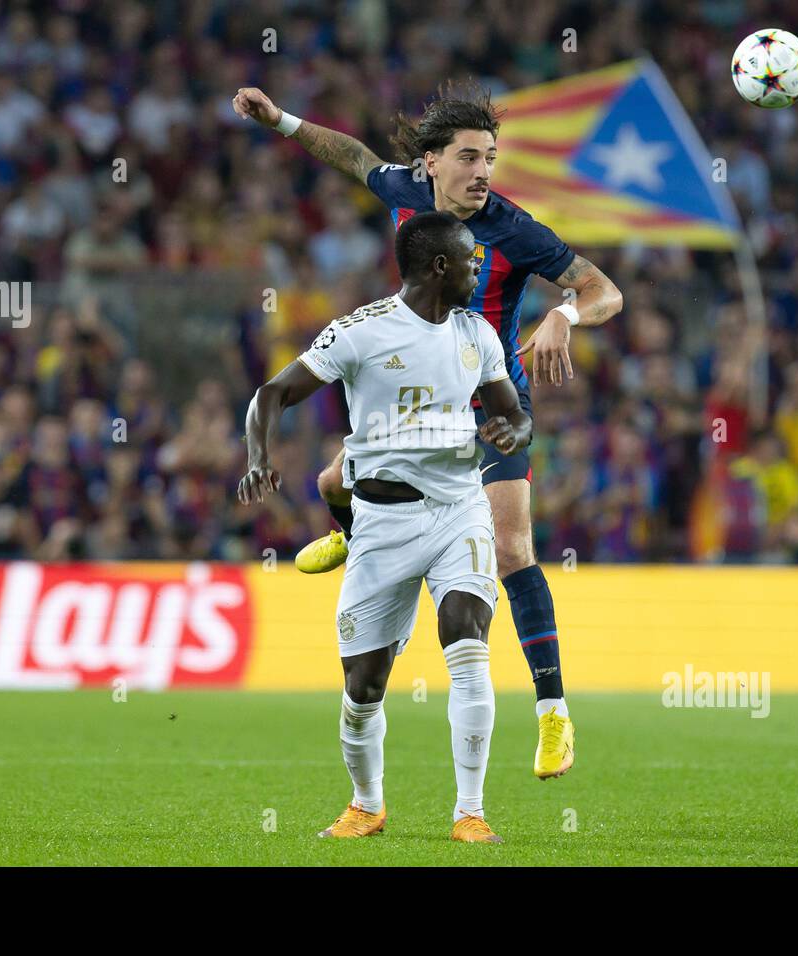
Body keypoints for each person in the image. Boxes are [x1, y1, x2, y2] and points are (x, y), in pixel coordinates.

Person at [233, 79, 624, 777]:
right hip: (413, 402)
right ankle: (348, 533)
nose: (482, 173)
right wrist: (283, 121)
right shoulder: (403, 190)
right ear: (432, 163)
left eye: (491, 159)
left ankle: (554, 713)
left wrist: (564, 314)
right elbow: (351, 156)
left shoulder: (516, 229)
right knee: (331, 478)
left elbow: (603, 290)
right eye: (470, 158)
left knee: (511, 547)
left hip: (492, 402)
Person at [238, 211, 531, 843]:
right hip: (381, 522)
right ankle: (366, 804)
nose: (480, 272)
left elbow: (513, 411)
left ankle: (470, 812)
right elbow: (271, 395)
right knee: (363, 686)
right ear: (439, 266)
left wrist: (515, 430)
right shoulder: (360, 333)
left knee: (467, 644)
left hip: (459, 511)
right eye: (471, 262)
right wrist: (260, 457)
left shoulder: (478, 334)